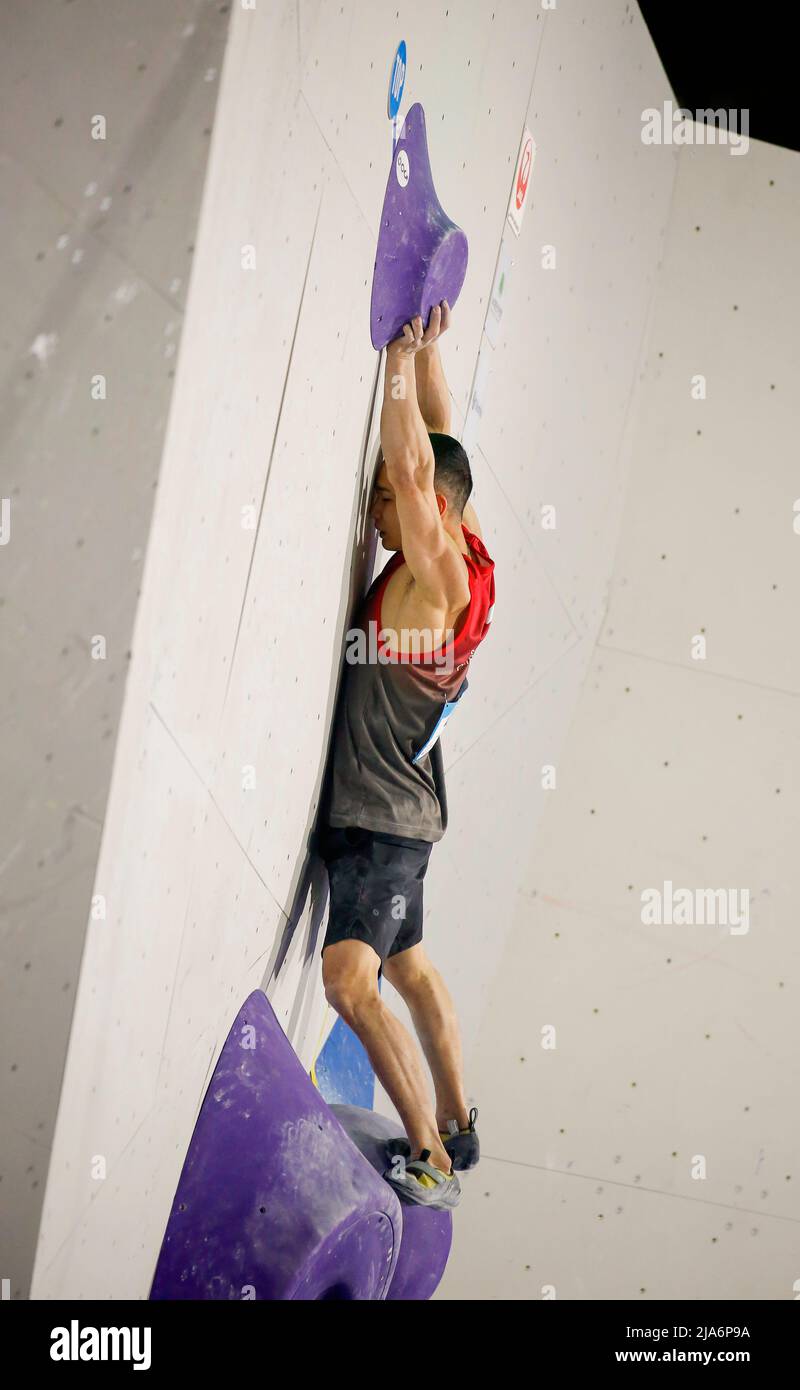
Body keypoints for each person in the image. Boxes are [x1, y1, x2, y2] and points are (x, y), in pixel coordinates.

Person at [317, 301, 496, 1209]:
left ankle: (428, 1155)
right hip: (406, 812)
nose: (376, 504)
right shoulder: (459, 551)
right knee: (413, 970)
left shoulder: (439, 578)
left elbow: (419, 460)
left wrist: (390, 358)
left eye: (386, 495)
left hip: (384, 823)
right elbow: (438, 440)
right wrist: (428, 350)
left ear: (432, 511)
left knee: (350, 982)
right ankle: (462, 1124)